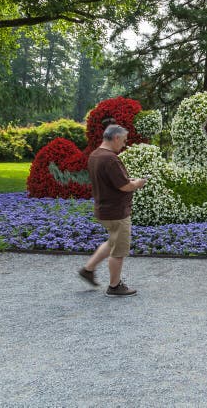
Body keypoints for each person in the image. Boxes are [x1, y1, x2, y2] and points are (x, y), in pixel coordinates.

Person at [78, 124, 147, 296]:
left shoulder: (95, 155)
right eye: (123, 141)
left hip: (103, 209)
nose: (123, 145)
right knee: (118, 250)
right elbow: (124, 186)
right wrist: (137, 183)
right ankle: (115, 286)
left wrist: (127, 180)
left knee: (112, 242)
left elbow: (110, 181)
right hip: (117, 212)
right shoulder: (110, 159)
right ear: (115, 138)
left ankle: (88, 269)